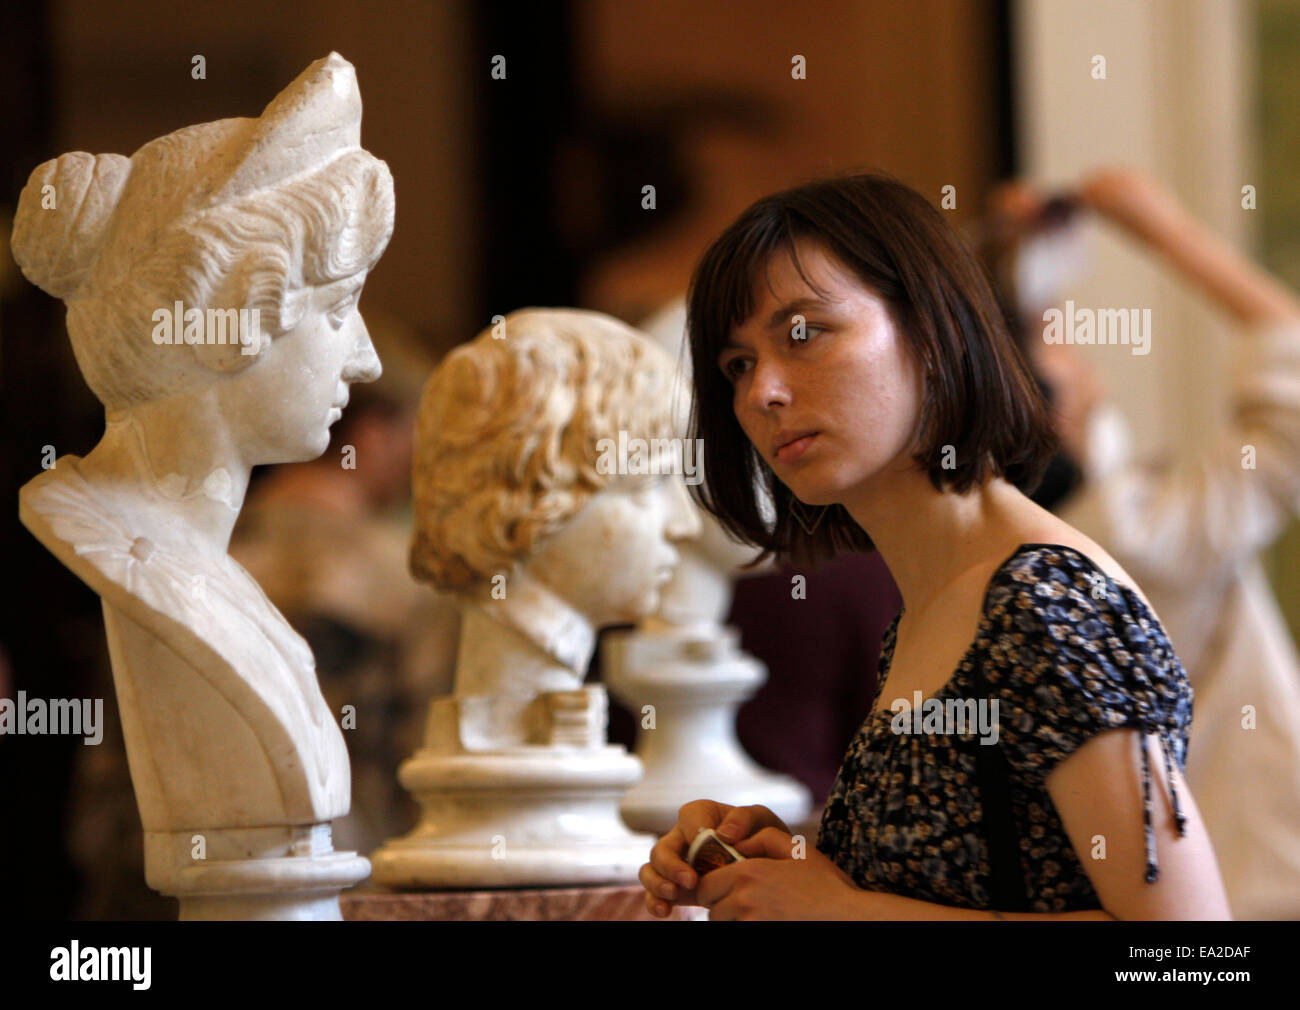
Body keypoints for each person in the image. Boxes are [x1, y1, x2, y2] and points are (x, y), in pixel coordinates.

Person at [638, 172, 1231, 920]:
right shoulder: (936, 603)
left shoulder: (1045, 602)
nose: (762, 393)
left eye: (802, 333)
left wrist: (844, 913)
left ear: (931, 331)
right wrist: (790, 856)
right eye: (738, 364)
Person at [984, 168, 1300, 920]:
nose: (1069, 337)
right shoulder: (1139, 543)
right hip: (1248, 890)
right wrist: (1168, 233)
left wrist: (1014, 260)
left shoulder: (1033, 545)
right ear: (1039, 401)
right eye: (1046, 333)